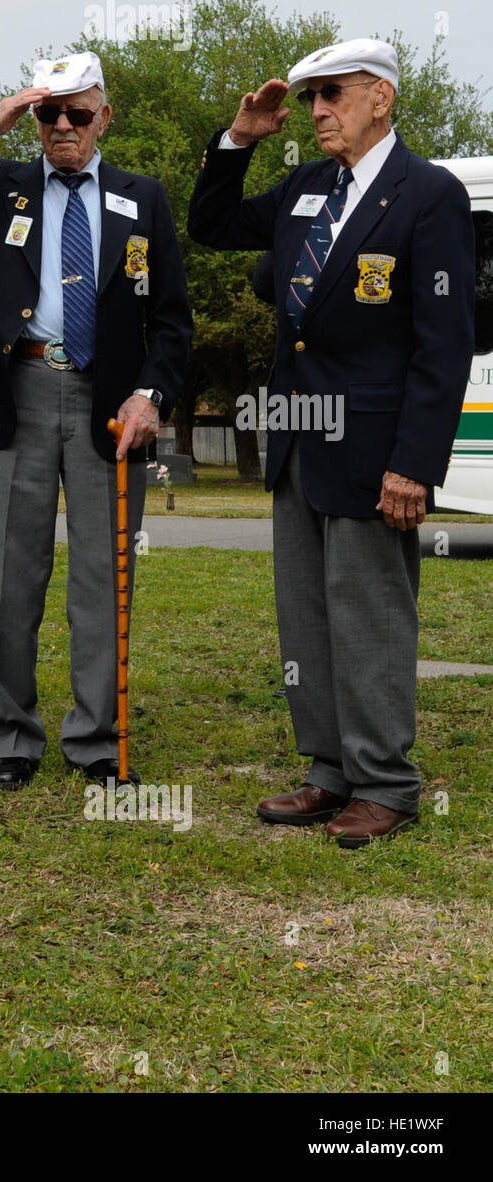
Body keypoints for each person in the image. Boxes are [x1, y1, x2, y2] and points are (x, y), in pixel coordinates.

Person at [188, 38, 475, 847]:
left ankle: (386, 783)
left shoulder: (429, 194)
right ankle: (330, 770)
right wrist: (238, 141)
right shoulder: (308, 185)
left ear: (381, 97)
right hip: (297, 439)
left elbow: (443, 344)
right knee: (306, 616)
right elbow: (212, 225)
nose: (317, 110)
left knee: (370, 615)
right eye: (311, 97)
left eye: (334, 94)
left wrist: (414, 464)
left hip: (375, 450)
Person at [0, 52, 192, 790]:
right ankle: (10, 736)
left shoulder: (143, 197)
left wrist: (152, 395)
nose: (63, 125)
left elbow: (173, 320)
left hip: (110, 403)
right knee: (9, 575)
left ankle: (97, 739)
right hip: (14, 393)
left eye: (78, 112)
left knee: (104, 576)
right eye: (48, 113)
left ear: (103, 118)